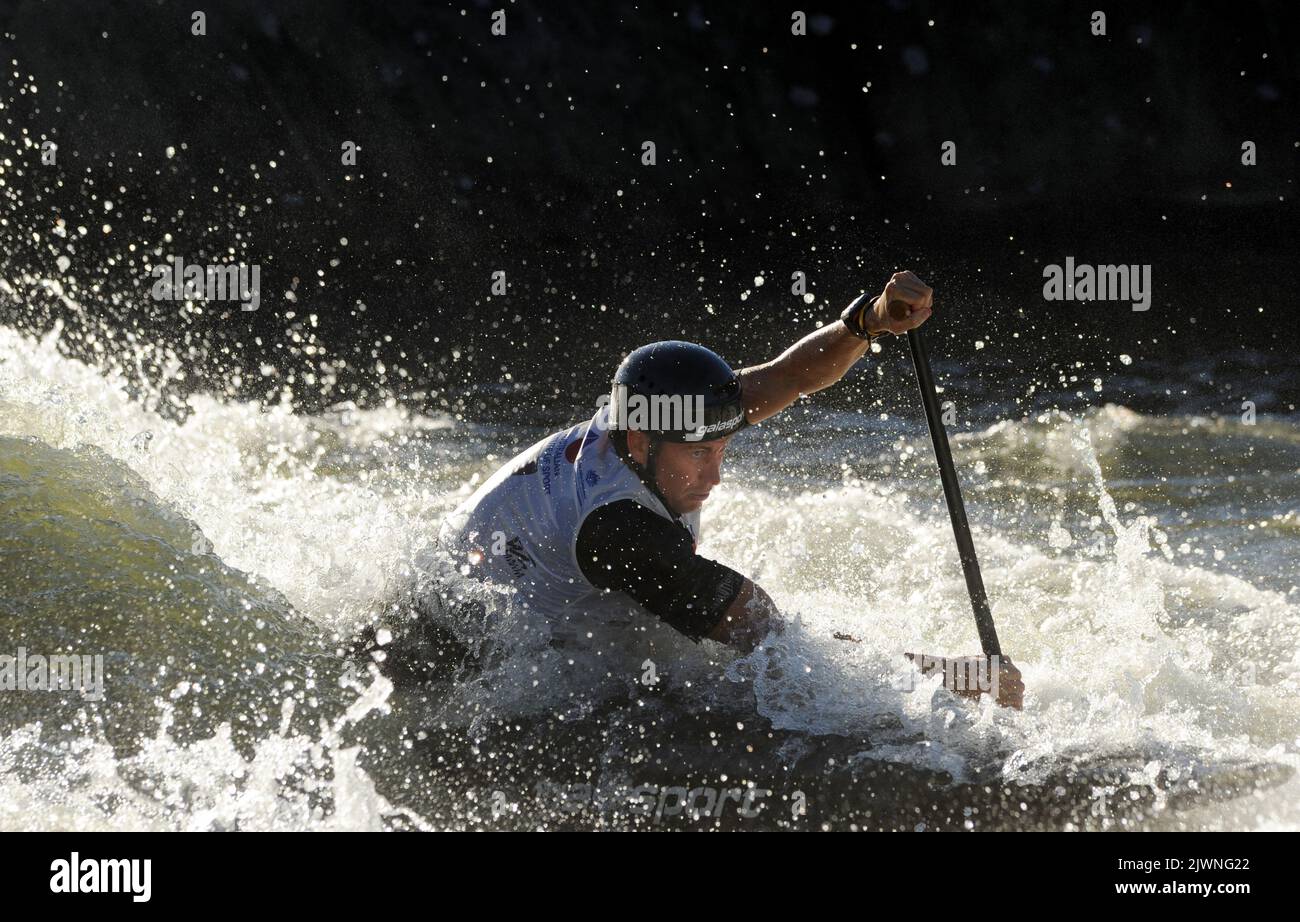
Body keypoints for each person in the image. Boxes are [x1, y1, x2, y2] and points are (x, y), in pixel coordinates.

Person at [437, 271, 1021, 708]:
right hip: (461, 673)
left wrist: (866, 322)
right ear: (639, 440)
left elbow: (790, 376)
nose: (714, 476)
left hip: (498, 593)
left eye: (721, 449)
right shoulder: (620, 530)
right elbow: (784, 648)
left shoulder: (664, 416)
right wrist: (958, 678)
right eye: (698, 456)